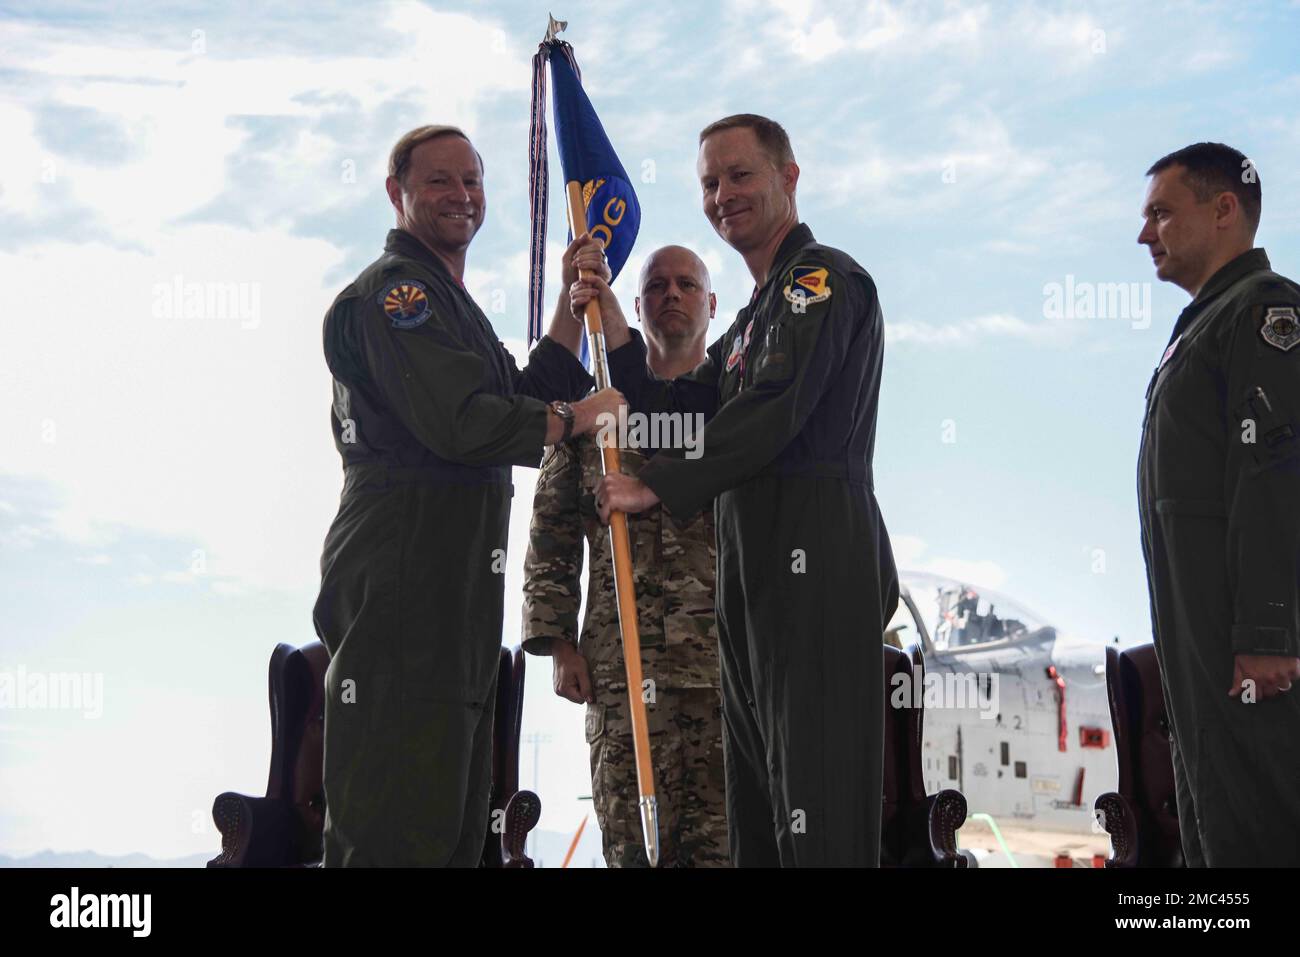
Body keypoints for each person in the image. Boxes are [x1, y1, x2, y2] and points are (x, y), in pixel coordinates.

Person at [574, 114, 899, 866]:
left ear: (789, 177)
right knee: (760, 824)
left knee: (818, 818)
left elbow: (771, 406)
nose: (723, 194)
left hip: (817, 561)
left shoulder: (820, 281)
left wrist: (659, 487)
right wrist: (610, 318)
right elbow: (686, 406)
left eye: (741, 174)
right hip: (750, 585)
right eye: (709, 183)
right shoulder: (754, 317)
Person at [312, 124, 623, 866]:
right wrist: (580, 415)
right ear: (397, 192)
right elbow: (462, 422)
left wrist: (569, 309)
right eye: (441, 181)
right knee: (396, 823)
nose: (462, 197)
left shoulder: (452, 305)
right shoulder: (399, 295)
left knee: (450, 824)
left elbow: (510, 396)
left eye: (473, 181)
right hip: (402, 579)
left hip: (449, 590)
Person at [522, 246, 729, 867]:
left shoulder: (735, 407)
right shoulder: (598, 411)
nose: (672, 294)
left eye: (687, 284)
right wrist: (557, 643)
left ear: (712, 305)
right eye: (657, 285)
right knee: (633, 845)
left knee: (724, 846)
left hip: (721, 668)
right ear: (634, 308)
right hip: (621, 670)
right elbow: (552, 530)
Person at [1136, 141, 1300, 866]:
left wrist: (1268, 631)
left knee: (1257, 833)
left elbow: (1275, 475)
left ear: (1225, 209)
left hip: (1249, 655)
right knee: (1215, 838)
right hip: (1201, 644)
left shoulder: (1264, 314)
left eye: (1162, 214)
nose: (1146, 235)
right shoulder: (1207, 323)